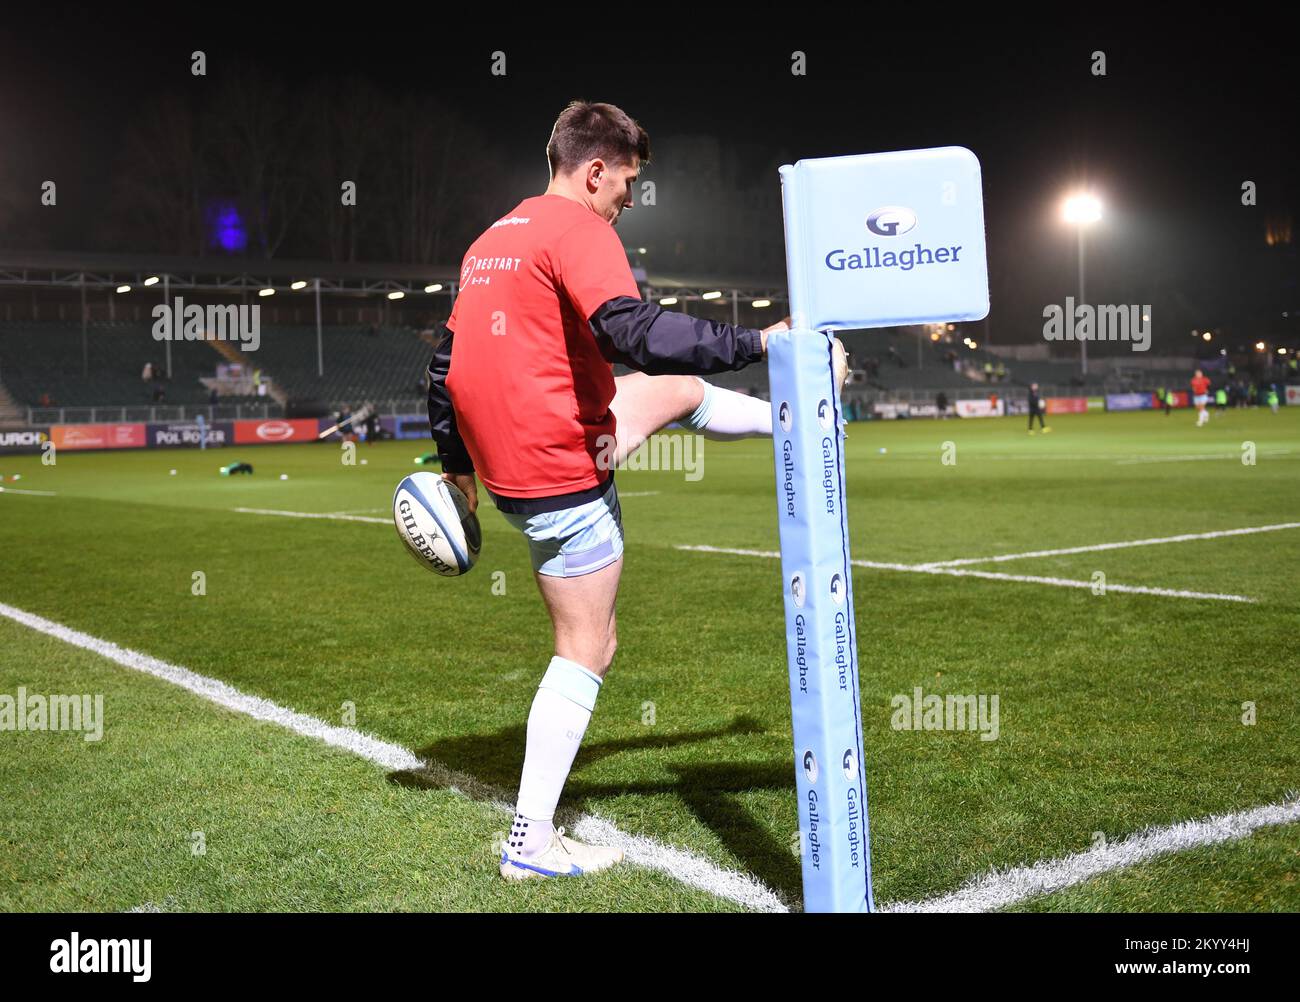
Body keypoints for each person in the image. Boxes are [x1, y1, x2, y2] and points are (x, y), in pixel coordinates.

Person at [427, 101, 845, 883]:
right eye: (625, 183)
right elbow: (633, 329)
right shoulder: (578, 229)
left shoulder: (495, 237)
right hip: (561, 469)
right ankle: (530, 841)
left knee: (672, 391)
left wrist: (455, 469)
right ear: (594, 170)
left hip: (512, 463)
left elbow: (444, 367)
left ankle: (799, 422)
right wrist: (763, 343)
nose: (626, 200)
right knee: (588, 649)